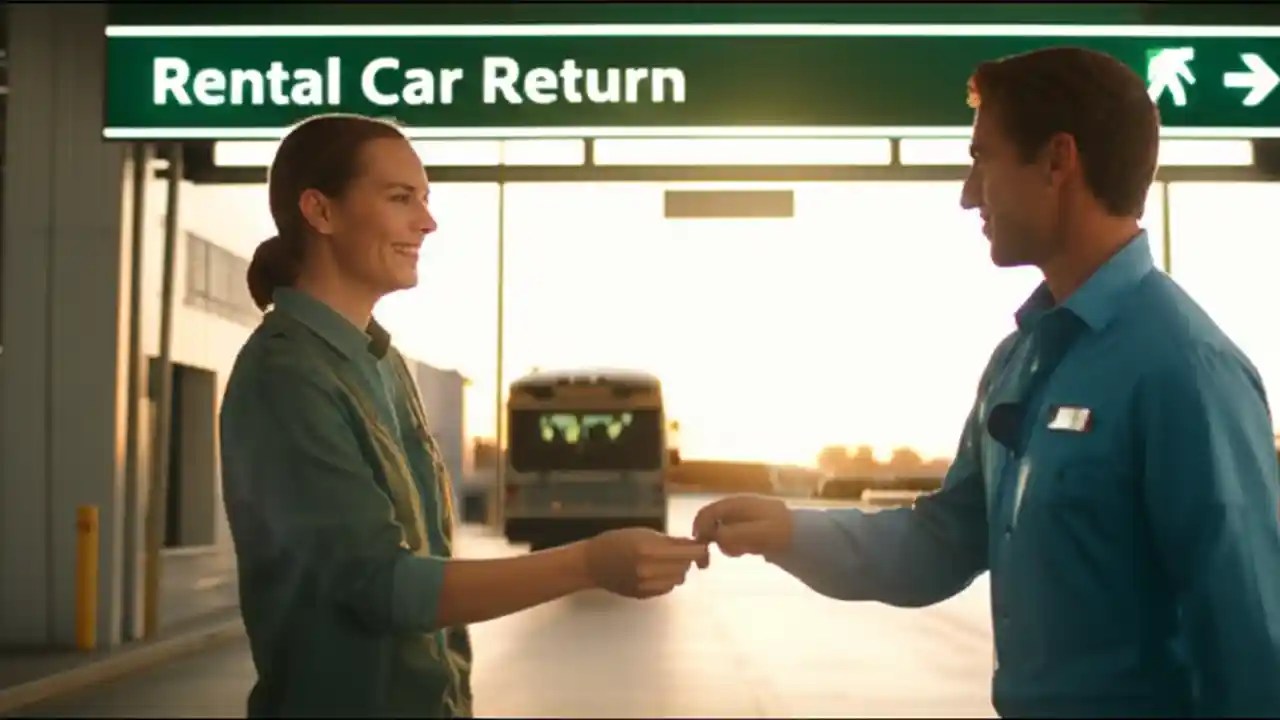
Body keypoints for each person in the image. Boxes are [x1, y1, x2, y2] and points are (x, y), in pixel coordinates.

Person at [694, 47, 1280, 718]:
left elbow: (1249, 641)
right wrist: (789, 532)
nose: (969, 194)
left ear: (1058, 161)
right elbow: (945, 543)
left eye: (982, 159)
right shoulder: (1020, 359)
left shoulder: (1186, 369)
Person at [218, 113, 709, 719]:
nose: (427, 221)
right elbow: (382, 585)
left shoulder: (381, 360)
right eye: (401, 198)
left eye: (424, 199)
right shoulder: (286, 377)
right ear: (321, 212)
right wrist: (588, 562)